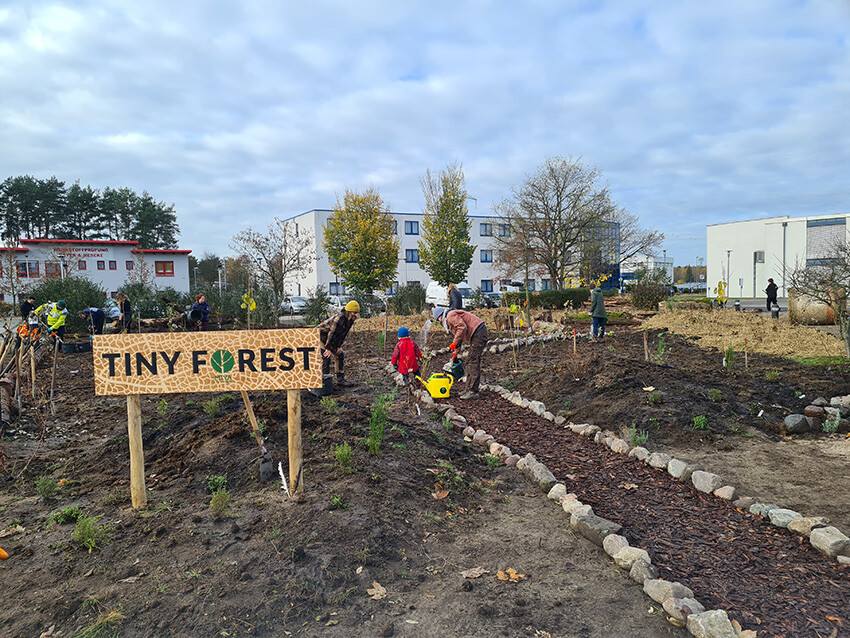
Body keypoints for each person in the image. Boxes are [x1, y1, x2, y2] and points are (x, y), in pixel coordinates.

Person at [433, 306, 488, 399]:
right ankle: (468, 389)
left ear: (440, 316)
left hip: (478, 332)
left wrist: (454, 343)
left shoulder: (450, 316)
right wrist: (455, 353)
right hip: (477, 333)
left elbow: (462, 328)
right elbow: (460, 335)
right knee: (470, 361)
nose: (439, 322)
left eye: (437, 319)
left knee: (472, 361)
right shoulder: (450, 320)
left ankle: (473, 391)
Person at [317, 300, 359, 388]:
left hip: (329, 338)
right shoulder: (339, 319)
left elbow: (342, 334)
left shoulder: (350, 320)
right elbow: (332, 333)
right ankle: (325, 381)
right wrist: (328, 348)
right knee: (326, 357)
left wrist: (339, 346)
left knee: (340, 355)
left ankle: (340, 379)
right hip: (319, 336)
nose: (356, 315)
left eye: (357, 313)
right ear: (349, 312)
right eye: (354, 313)